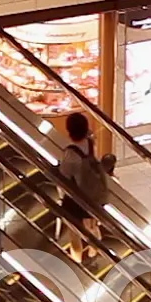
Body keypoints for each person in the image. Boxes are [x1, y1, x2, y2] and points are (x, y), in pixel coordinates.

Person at [57, 111, 109, 265]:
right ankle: (94, 252)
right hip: (94, 193)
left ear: (69, 130)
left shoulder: (71, 154)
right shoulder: (90, 143)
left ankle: (77, 261)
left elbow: (63, 177)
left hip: (76, 199)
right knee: (92, 225)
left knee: (74, 232)